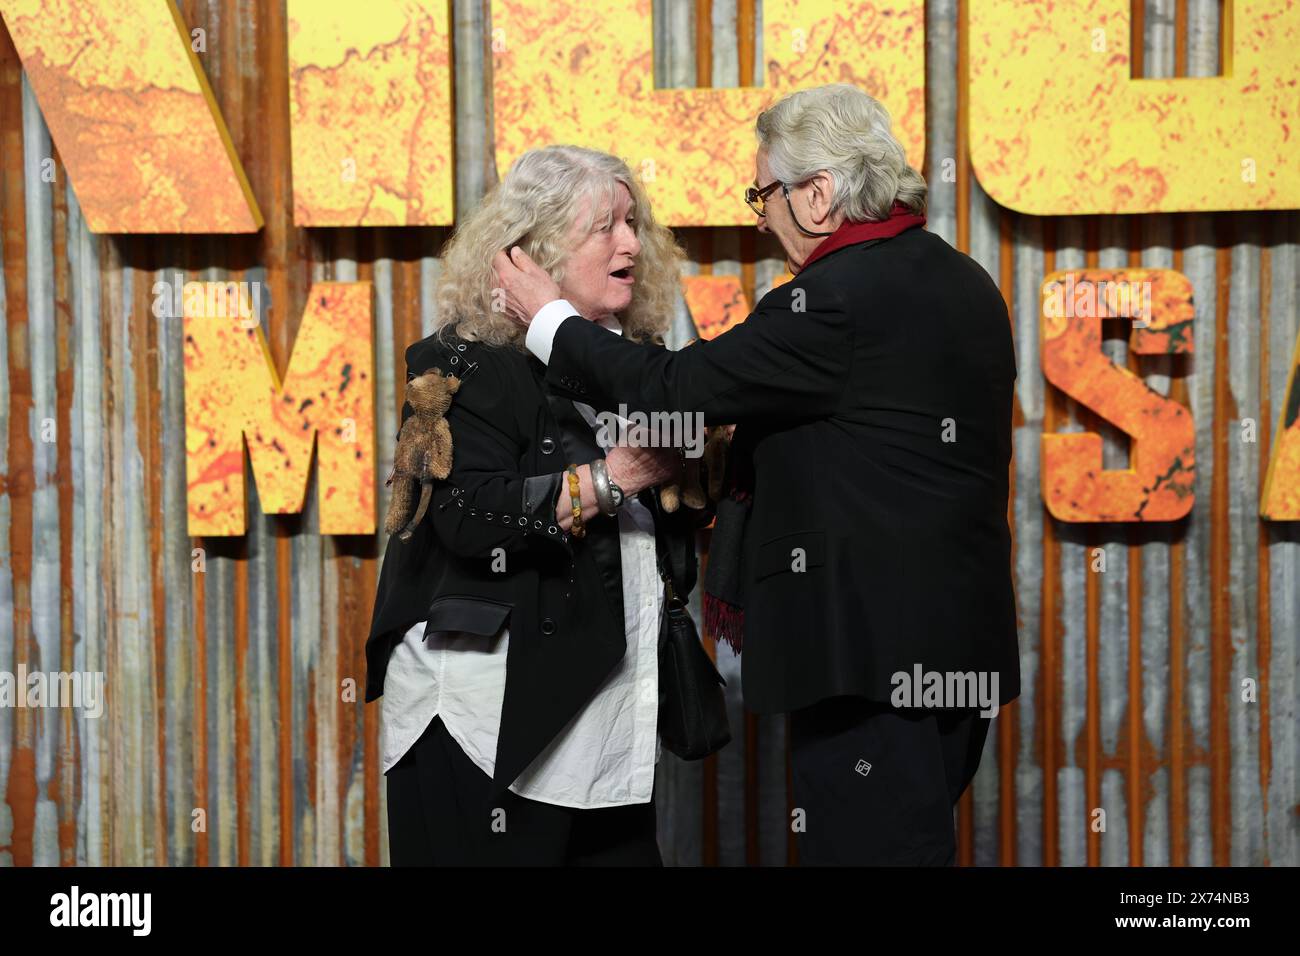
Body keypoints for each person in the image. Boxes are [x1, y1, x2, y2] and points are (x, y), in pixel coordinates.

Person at [494, 84, 1021, 865]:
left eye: (764, 193)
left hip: (868, 659)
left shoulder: (833, 301)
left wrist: (548, 320)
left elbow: (674, 389)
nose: (759, 214)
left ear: (817, 195)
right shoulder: (963, 280)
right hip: (952, 654)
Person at [365, 145, 704, 866]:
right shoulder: (462, 360)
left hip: (607, 717)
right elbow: (465, 516)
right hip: (485, 719)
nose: (630, 243)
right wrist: (614, 477)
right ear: (534, 255)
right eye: (604, 226)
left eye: (634, 223)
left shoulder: (636, 359)